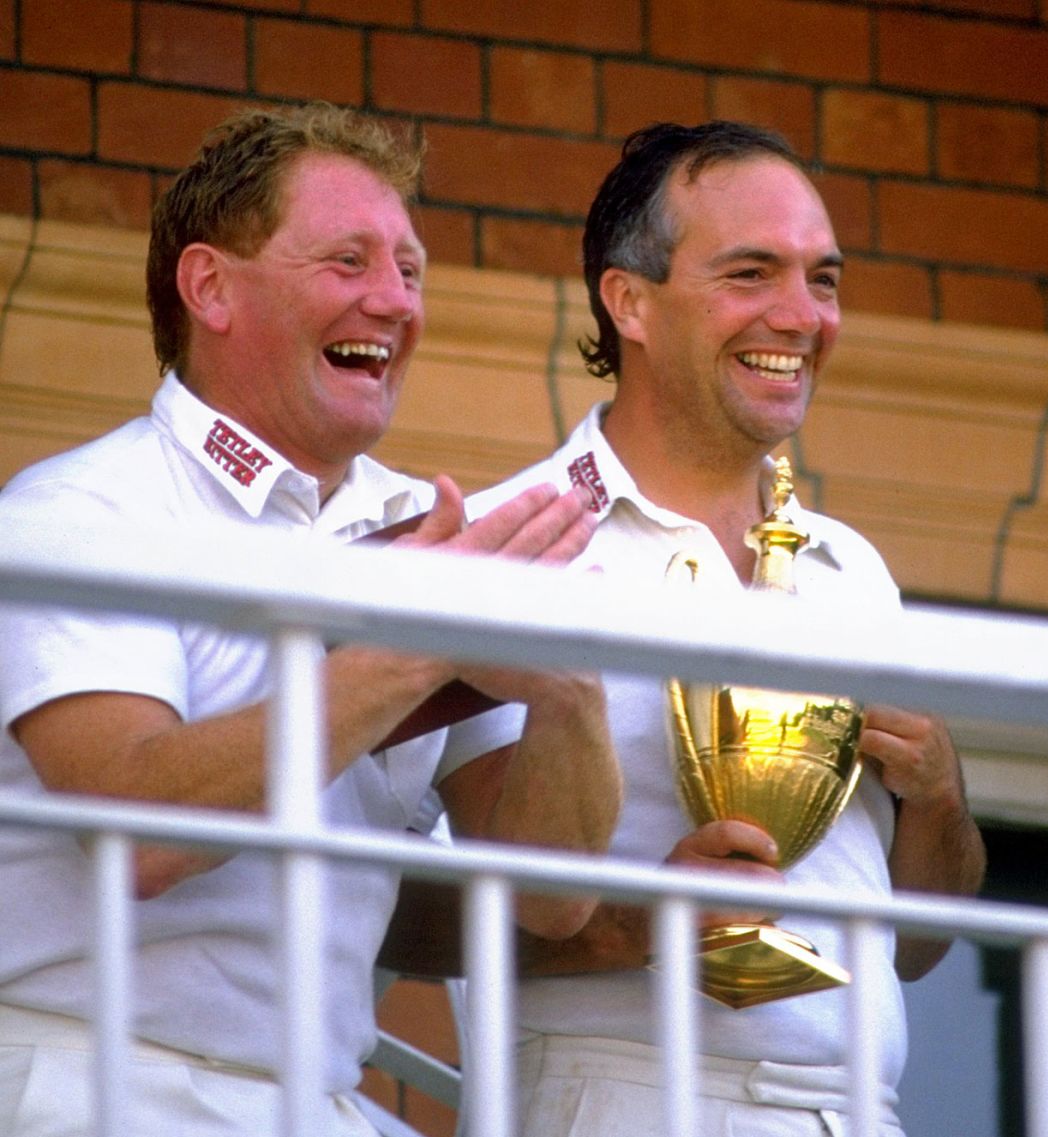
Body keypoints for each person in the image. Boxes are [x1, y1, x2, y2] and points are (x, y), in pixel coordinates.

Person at [0, 102, 621, 1137]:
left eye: (410, 271)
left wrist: (568, 680)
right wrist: (417, 640)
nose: (393, 301)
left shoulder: (427, 533)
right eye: (348, 262)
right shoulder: (80, 514)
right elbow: (138, 838)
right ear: (210, 288)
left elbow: (552, 898)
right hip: (93, 1084)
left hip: (321, 1105)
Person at [471, 121, 987, 1137]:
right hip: (625, 1093)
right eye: (752, 273)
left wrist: (937, 797)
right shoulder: (518, 540)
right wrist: (640, 926)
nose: (800, 316)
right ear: (630, 302)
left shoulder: (852, 569)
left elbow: (920, 944)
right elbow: (434, 911)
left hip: (857, 1112)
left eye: (823, 280)